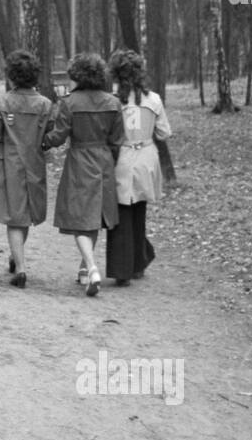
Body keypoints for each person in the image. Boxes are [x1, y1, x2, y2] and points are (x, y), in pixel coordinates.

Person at [43, 53, 124, 297]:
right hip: (104, 161)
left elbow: (58, 136)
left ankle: (91, 267)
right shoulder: (113, 102)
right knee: (95, 215)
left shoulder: (70, 103)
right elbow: (118, 139)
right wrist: (110, 160)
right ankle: (83, 269)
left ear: (77, 75)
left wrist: (40, 142)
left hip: (79, 160)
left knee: (79, 216)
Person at [0, 50, 57, 289]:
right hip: (34, 164)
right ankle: (16, 255)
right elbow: (49, 133)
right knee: (25, 216)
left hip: (9, 164)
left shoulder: (3, 102)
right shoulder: (45, 105)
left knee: (14, 217)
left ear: (11, 76)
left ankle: (20, 268)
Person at [106, 49, 172, 286]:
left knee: (121, 212)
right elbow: (164, 132)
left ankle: (122, 267)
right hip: (146, 156)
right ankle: (137, 262)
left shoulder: (113, 101)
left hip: (122, 156)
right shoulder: (153, 99)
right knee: (139, 211)